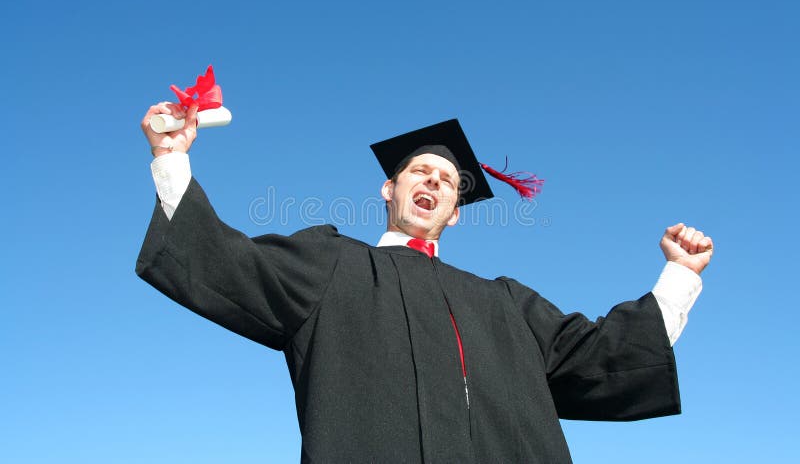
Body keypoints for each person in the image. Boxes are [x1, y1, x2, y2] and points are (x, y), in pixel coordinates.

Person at [137, 102, 713, 463]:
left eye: (447, 180)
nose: (434, 182)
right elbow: (225, 262)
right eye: (420, 171)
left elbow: (604, 355)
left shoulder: (506, 305)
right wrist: (170, 159)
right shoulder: (330, 265)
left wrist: (679, 275)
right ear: (390, 189)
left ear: (455, 211)